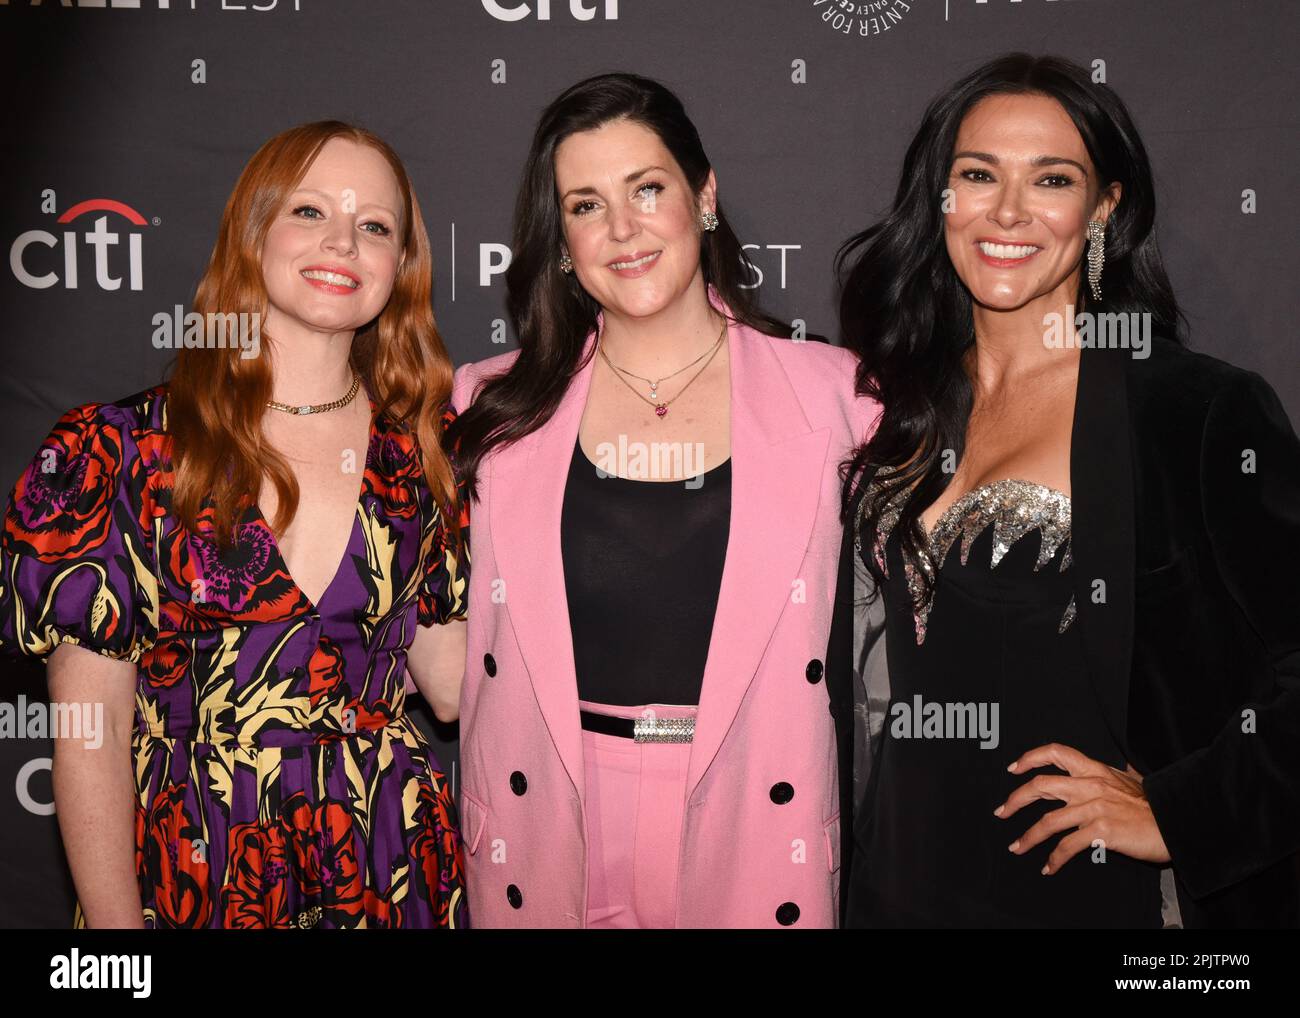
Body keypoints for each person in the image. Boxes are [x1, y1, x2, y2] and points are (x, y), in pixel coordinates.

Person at [831, 53, 1300, 928]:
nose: (1008, 212)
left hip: (1093, 900)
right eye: (978, 175)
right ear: (939, 199)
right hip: (901, 884)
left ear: (1104, 210)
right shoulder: (899, 402)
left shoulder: (1191, 410)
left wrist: (1183, 811)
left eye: (1052, 180)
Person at [0, 121, 471, 928]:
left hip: (390, 871)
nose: (343, 243)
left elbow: (456, 688)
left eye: (375, 226)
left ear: (403, 266)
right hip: (195, 876)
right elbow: (91, 731)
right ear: (253, 231)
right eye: (310, 212)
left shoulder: (421, 457)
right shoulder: (118, 453)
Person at [442, 72, 878, 928]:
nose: (622, 230)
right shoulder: (488, 406)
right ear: (560, 238)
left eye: (648, 189)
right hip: (547, 819)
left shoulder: (838, 400)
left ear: (703, 196)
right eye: (586, 205)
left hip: (756, 811)